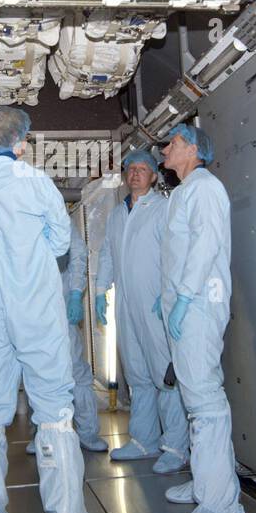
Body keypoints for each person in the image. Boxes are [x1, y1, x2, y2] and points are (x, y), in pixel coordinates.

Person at [0, 107, 90, 513]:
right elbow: (60, 242)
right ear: (20, 143)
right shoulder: (34, 181)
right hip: (34, 310)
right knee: (53, 412)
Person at [157, 124, 245, 513]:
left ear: (192, 149)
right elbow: (178, 252)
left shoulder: (206, 188)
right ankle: (206, 480)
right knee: (194, 398)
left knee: (205, 399)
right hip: (184, 303)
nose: (165, 149)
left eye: (172, 143)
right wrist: (169, 297)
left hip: (199, 303)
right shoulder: (182, 192)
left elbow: (205, 247)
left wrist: (186, 297)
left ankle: (221, 504)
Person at [94, 149, 189, 474]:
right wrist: (98, 291)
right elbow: (107, 253)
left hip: (156, 304)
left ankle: (176, 446)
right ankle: (144, 440)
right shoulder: (118, 214)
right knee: (137, 374)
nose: (135, 174)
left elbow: (176, 254)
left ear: (153, 176)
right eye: (130, 169)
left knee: (165, 375)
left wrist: (170, 295)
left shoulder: (163, 208)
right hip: (126, 304)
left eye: (142, 169)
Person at [27, 224, 108, 455]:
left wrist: (75, 294)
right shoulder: (21, 216)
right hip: (30, 309)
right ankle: (42, 431)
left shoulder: (57, 216)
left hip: (61, 305)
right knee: (36, 372)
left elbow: (79, 254)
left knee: (75, 370)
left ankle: (87, 432)